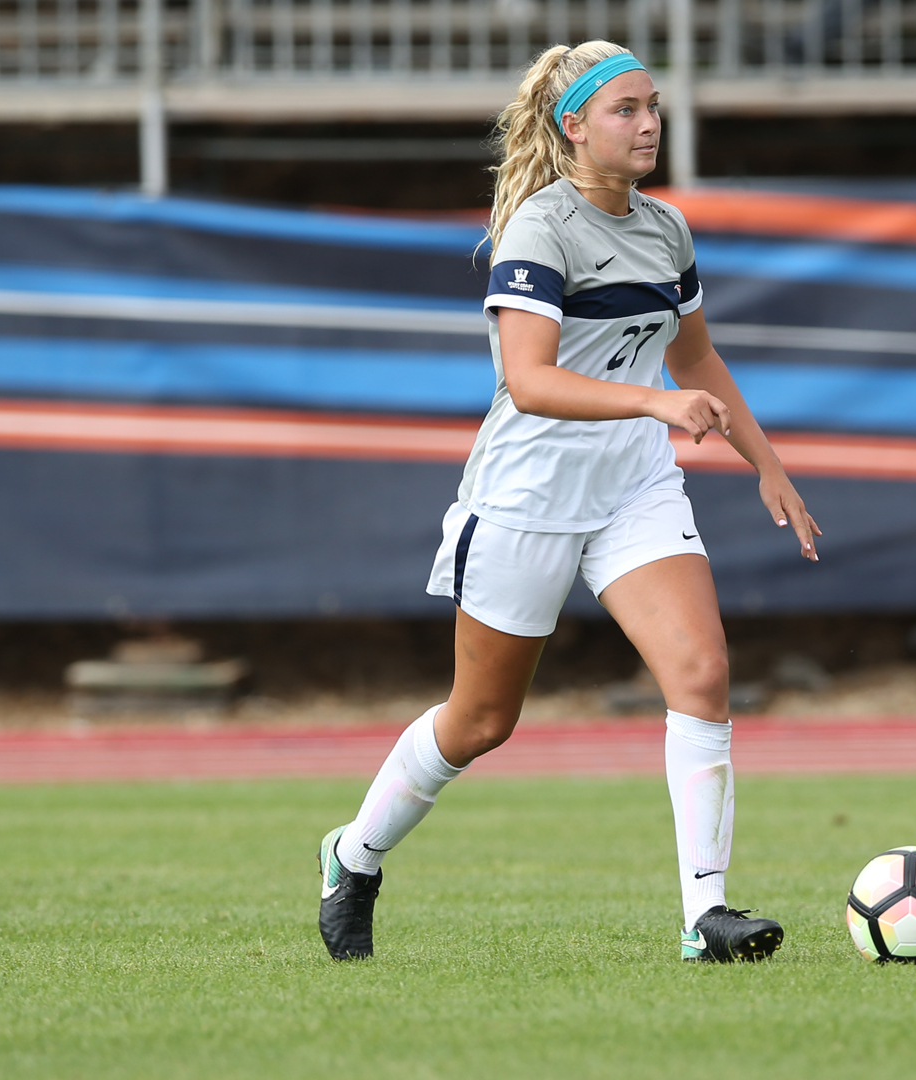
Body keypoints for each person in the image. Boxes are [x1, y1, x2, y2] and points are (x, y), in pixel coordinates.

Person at [317, 40, 821, 964]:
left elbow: (696, 357)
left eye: (653, 105)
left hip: (634, 487)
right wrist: (655, 403)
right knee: (481, 721)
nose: (649, 124)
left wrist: (766, 463)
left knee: (702, 674)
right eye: (626, 109)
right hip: (528, 494)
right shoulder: (540, 229)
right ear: (573, 126)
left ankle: (706, 915)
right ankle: (355, 855)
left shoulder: (666, 229)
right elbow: (532, 380)